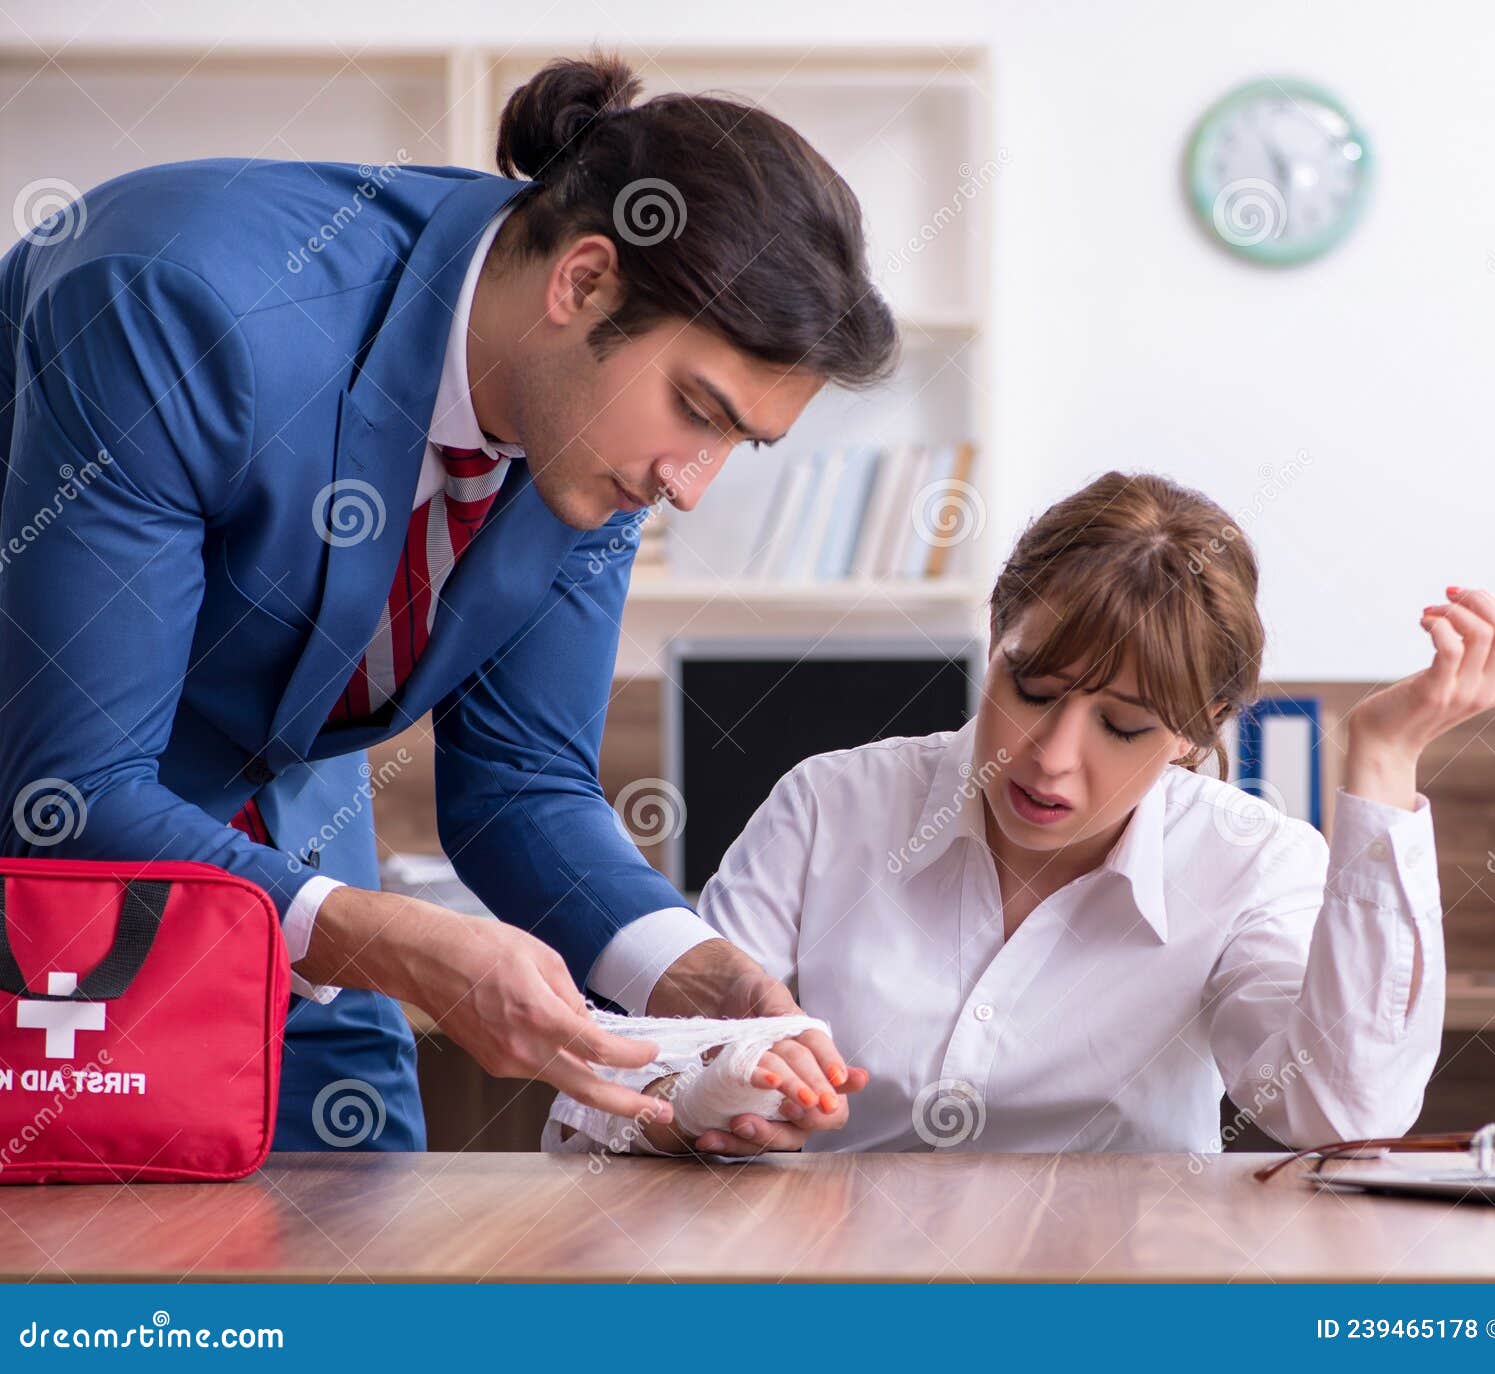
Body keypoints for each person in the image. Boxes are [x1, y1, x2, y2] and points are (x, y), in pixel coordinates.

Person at [0, 53, 889, 1150]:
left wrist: (689, 974)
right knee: (100, 1235)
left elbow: (519, 783)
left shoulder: (591, 433)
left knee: (363, 1180)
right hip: (49, 807)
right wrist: (395, 943)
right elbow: (72, 788)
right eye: (696, 410)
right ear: (582, 281)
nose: (689, 484)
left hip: (282, 797)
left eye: (736, 443)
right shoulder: (182, 307)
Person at [549, 472, 1495, 1156]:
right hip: (839, 1294)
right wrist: (695, 1109)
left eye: (1123, 725)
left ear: (1196, 734)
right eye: (1031, 687)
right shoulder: (830, 806)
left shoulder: (1251, 864)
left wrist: (1385, 759)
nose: (1052, 760)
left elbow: (1345, 1110)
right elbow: (619, 1085)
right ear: (993, 639)